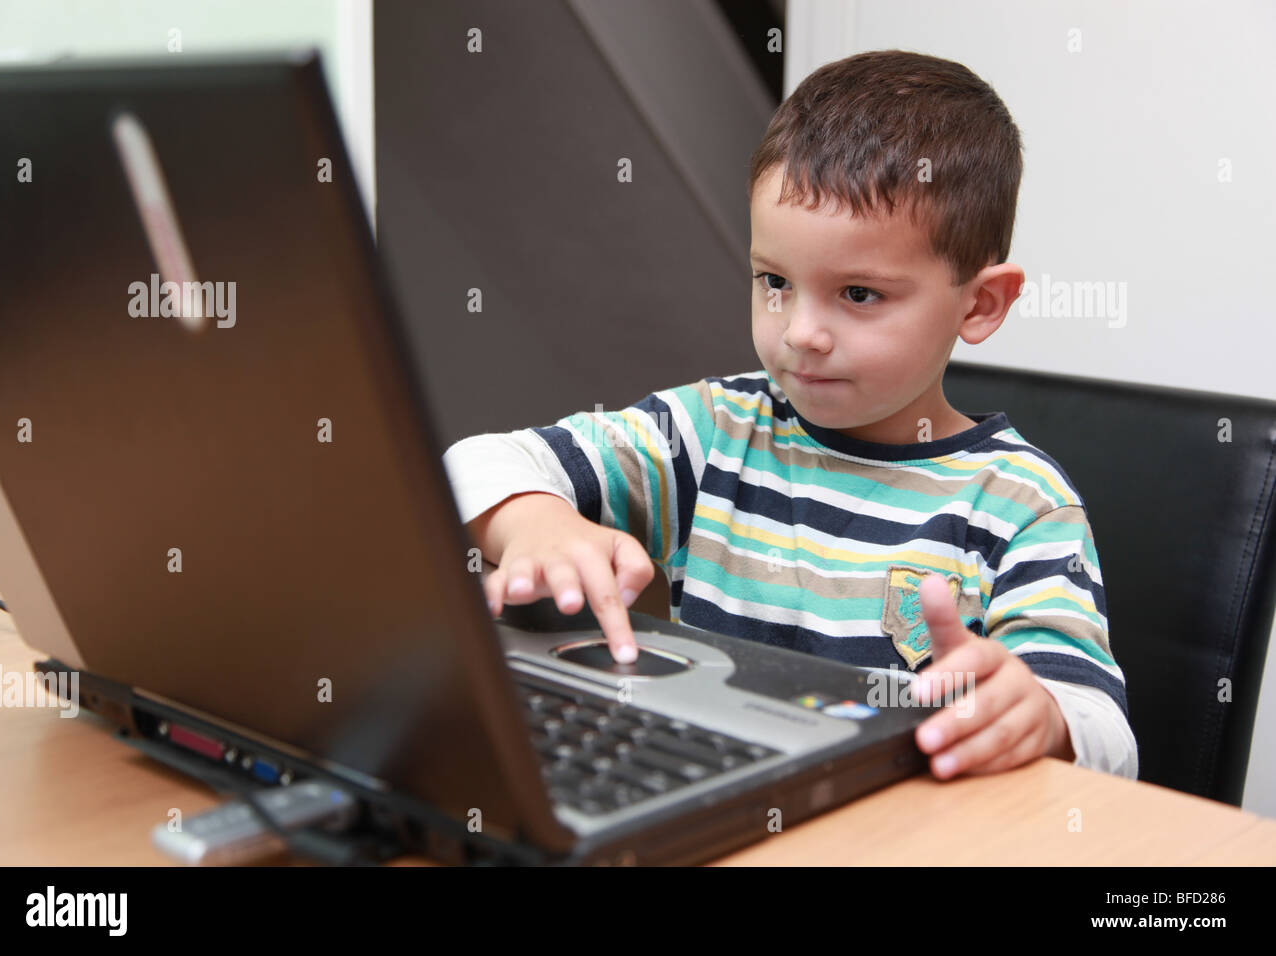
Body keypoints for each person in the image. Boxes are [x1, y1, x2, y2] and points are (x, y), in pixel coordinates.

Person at [443, 50, 1137, 780]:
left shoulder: (1021, 501)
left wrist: (1037, 716)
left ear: (981, 302)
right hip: (721, 798)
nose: (801, 331)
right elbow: (471, 463)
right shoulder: (713, 432)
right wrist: (535, 521)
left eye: (860, 294)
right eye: (775, 281)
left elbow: (1107, 742)